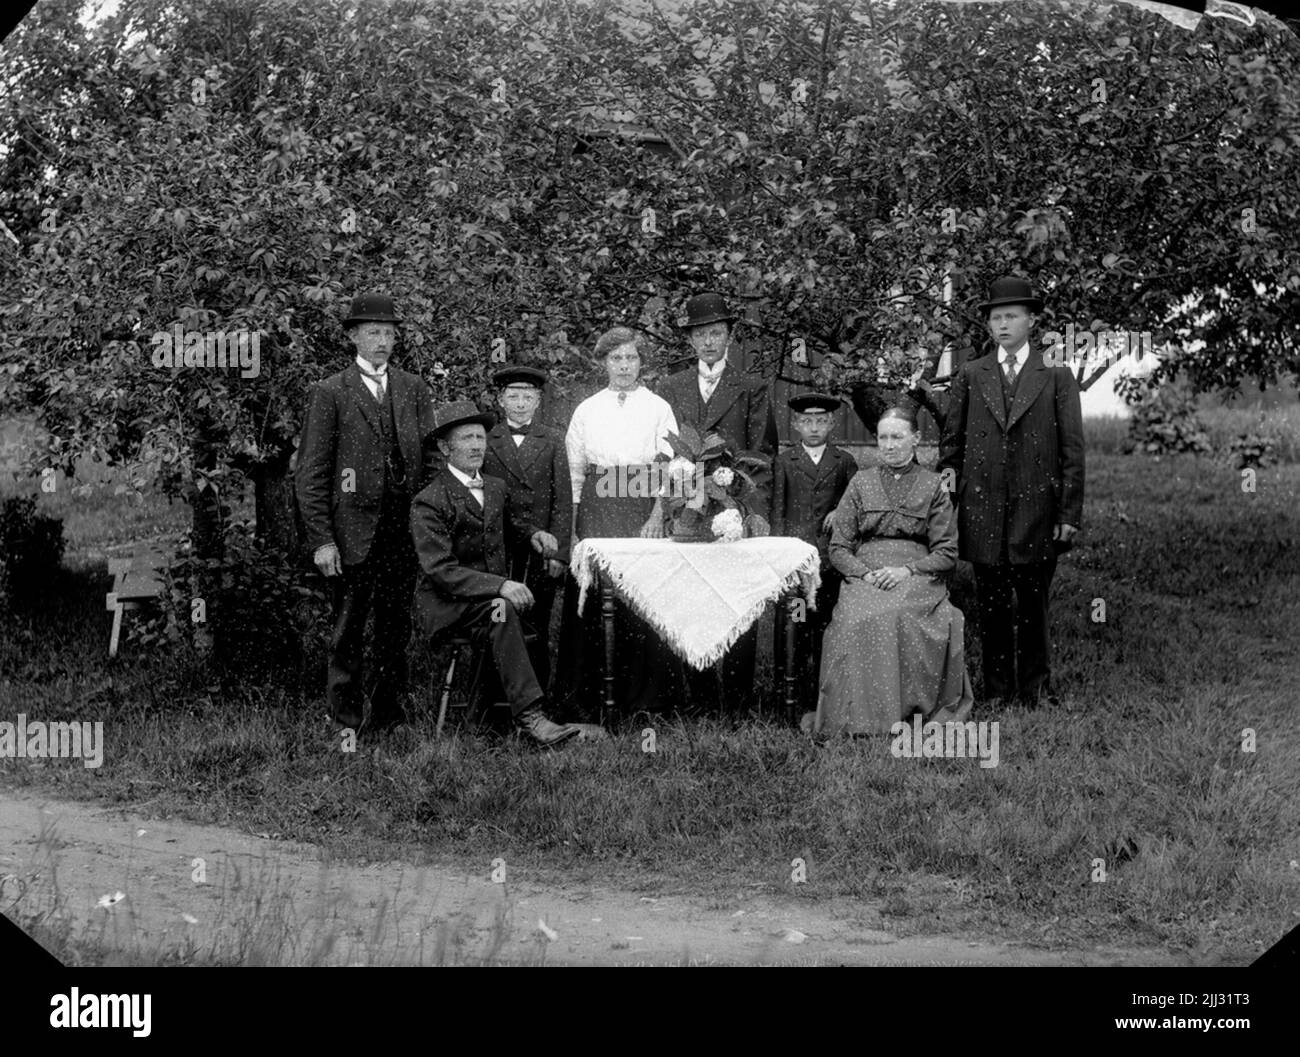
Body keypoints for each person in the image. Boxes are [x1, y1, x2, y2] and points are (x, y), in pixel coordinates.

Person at [295, 292, 439, 736]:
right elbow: (311, 473)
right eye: (372, 332)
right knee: (348, 630)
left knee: (394, 630)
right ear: (353, 337)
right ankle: (346, 721)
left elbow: (431, 459)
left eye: (389, 333)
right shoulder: (330, 392)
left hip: (401, 531)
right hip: (351, 532)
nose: (381, 341)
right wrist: (322, 539)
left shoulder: (413, 388)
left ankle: (388, 719)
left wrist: (428, 522)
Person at [937, 275, 1084, 708]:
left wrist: (1068, 514)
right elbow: (953, 446)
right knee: (993, 607)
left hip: (1038, 512)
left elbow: (1073, 451)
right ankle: (999, 692)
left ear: (1031, 321)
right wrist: (950, 498)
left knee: (1033, 605)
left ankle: (1036, 689)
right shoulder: (971, 374)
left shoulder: (1056, 375)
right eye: (995, 318)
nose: (1002, 325)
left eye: (1011, 317)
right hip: (982, 512)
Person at [410, 400, 579, 747]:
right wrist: (500, 585)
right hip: (447, 604)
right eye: (466, 438)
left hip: (486, 603)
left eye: (480, 438)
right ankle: (531, 717)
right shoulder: (429, 500)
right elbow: (440, 570)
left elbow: (511, 526)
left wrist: (534, 534)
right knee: (502, 612)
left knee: (501, 614)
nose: (476, 445)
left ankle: (483, 721)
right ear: (445, 448)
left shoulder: (495, 487)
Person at [814, 405, 974, 735]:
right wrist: (862, 573)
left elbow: (947, 552)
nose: (889, 445)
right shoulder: (861, 482)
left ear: (915, 439)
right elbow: (839, 546)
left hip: (916, 574)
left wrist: (908, 571)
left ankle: (906, 713)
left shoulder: (934, 486)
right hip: (866, 571)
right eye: (883, 437)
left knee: (899, 612)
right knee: (855, 617)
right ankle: (856, 717)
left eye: (897, 437)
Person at [656, 291, 778, 714]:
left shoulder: (751, 386)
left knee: (736, 599)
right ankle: (699, 697)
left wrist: (745, 506)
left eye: (717, 333)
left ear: (728, 336)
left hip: (732, 506)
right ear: (690, 341)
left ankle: (740, 700)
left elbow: (763, 453)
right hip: (687, 508)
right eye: (701, 334)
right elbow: (664, 452)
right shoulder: (670, 387)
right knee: (691, 599)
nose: (709, 342)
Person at [557, 326, 679, 716]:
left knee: (643, 598)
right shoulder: (587, 409)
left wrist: (659, 513)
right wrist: (575, 527)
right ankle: (588, 701)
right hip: (597, 507)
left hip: (643, 508)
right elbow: (576, 473)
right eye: (616, 358)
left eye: (631, 358)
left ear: (641, 363)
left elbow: (673, 467)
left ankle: (644, 701)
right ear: (603, 363)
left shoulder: (658, 407)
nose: (624, 366)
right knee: (594, 596)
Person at [480, 365, 572, 695]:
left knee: (538, 622)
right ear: (501, 400)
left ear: (538, 401)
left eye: (528, 396)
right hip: (499, 550)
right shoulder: (488, 440)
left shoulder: (552, 440)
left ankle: (538, 703)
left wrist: (559, 552)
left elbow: (563, 499)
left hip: (540, 550)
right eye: (513, 396)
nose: (520, 403)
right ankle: (497, 703)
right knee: (500, 621)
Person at [770, 392, 858, 715]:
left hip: (828, 563)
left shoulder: (844, 461)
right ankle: (787, 693)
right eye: (807, 421)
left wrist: (841, 510)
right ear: (795, 424)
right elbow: (778, 512)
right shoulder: (784, 461)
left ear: (832, 422)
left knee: (824, 626)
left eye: (821, 420)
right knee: (794, 625)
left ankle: (824, 694)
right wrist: (780, 558)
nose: (814, 427)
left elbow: (856, 503)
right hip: (795, 563)